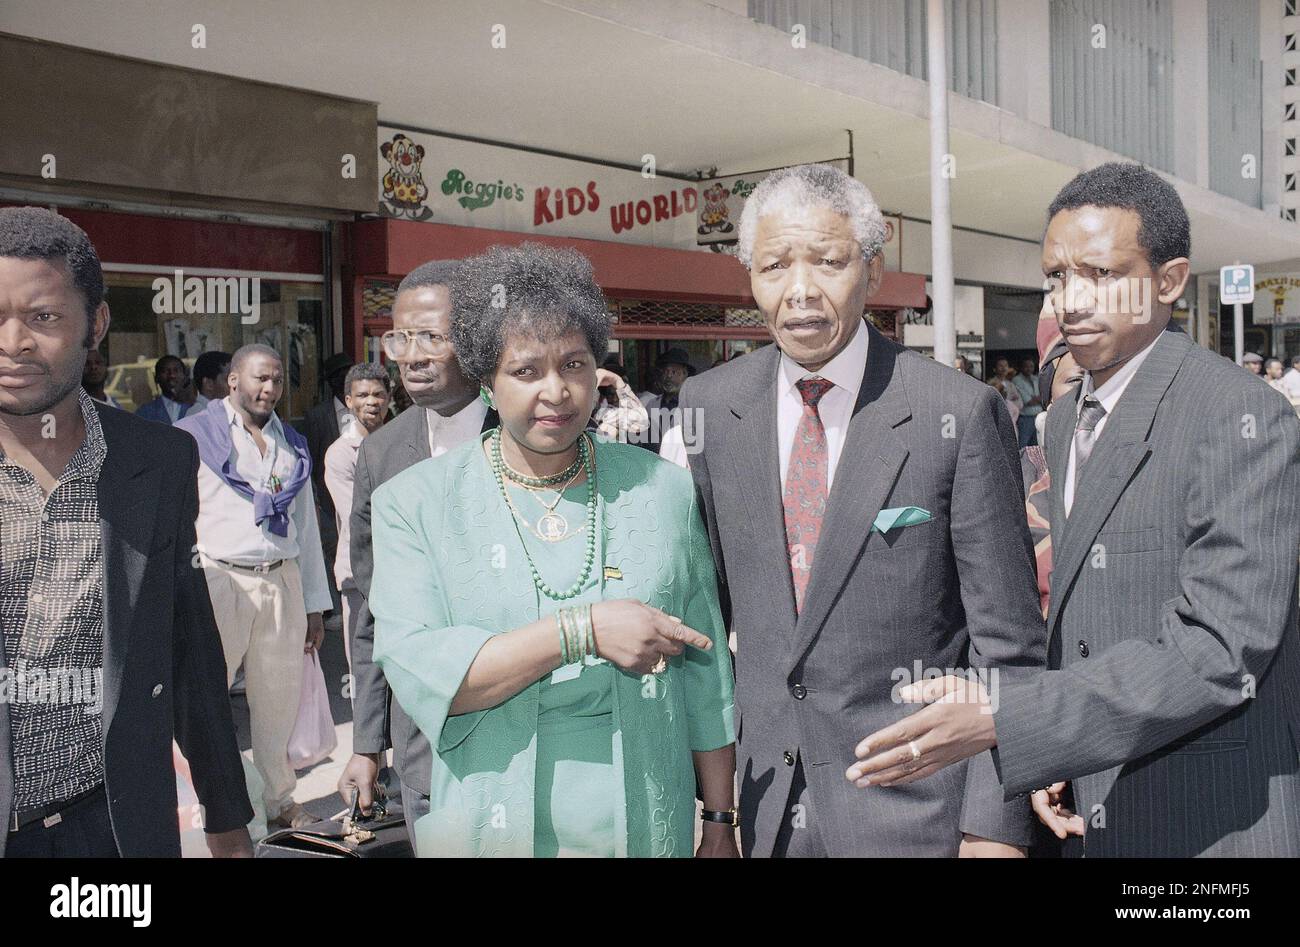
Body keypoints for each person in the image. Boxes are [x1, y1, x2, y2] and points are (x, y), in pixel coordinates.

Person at [849, 162, 1300, 857]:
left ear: (1171, 281)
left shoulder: (1241, 416)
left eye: (1101, 274)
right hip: (1096, 807)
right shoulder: (1062, 422)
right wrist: (1054, 747)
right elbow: (1082, 620)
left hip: (1215, 821)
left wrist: (1016, 715)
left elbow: (1218, 647)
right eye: (1057, 277)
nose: (1072, 300)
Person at [678, 164, 1045, 857]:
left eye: (829, 261)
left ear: (873, 273)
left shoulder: (957, 413)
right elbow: (709, 626)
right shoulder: (711, 407)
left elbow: (1010, 648)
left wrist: (993, 831)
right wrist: (718, 814)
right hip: (762, 814)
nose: (800, 291)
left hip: (913, 815)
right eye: (775, 265)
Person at [370, 243, 736, 857]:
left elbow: (707, 676)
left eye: (574, 364)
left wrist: (721, 821)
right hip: (492, 821)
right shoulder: (416, 502)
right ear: (486, 382)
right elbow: (431, 676)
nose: (556, 391)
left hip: (646, 818)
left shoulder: (661, 489)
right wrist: (584, 629)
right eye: (526, 370)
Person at [0, 206, 252, 857]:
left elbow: (188, 641)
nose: (14, 340)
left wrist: (225, 814)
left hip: (109, 827)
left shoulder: (156, 460)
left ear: (97, 323)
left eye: (43, 316)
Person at [337, 259, 498, 849]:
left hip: (525, 730)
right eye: (400, 337)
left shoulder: (533, 434)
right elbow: (369, 603)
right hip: (421, 750)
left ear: (476, 339)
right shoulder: (382, 453)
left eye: (432, 336)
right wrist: (365, 742)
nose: (412, 355)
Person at [176, 343, 333, 831]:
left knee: (277, 703)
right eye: (260, 378)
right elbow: (178, 517)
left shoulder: (292, 444)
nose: (270, 389)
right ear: (232, 382)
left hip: (281, 580)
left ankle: (280, 801)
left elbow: (305, 527)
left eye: (278, 380)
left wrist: (314, 605)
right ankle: (226, 801)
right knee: (200, 703)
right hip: (219, 581)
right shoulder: (192, 437)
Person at [323, 362, 390, 670]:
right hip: (358, 576)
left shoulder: (406, 443)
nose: (371, 402)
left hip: (405, 574)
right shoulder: (340, 453)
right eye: (362, 395)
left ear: (389, 398)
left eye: (378, 394)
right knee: (363, 672)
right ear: (348, 401)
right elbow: (358, 517)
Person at [303, 351, 355, 608]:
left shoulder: (366, 405)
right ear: (330, 381)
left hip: (359, 495)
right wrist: (315, 498)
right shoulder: (317, 415)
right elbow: (311, 459)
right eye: (339, 375)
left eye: (348, 373)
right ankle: (335, 602)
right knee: (331, 551)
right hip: (327, 499)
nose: (344, 379)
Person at [135, 354, 196, 424]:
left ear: (185, 376)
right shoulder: (145, 412)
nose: (172, 375)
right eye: (165, 371)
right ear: (156, 378)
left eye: (176, 370)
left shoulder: (196, 408)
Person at [1011, 357, 1042, 447]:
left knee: (1037, 446)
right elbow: (1027, 401)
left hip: (1038, 417)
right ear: (1021, 367)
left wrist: (1037, 399)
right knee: (1023, 446)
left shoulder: (1036, 378)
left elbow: (1044, 398)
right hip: (1025, 418)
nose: (1029, 369)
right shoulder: (1017, 380)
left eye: (1031, 366)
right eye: (1026, 366)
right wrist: (1037, 399)